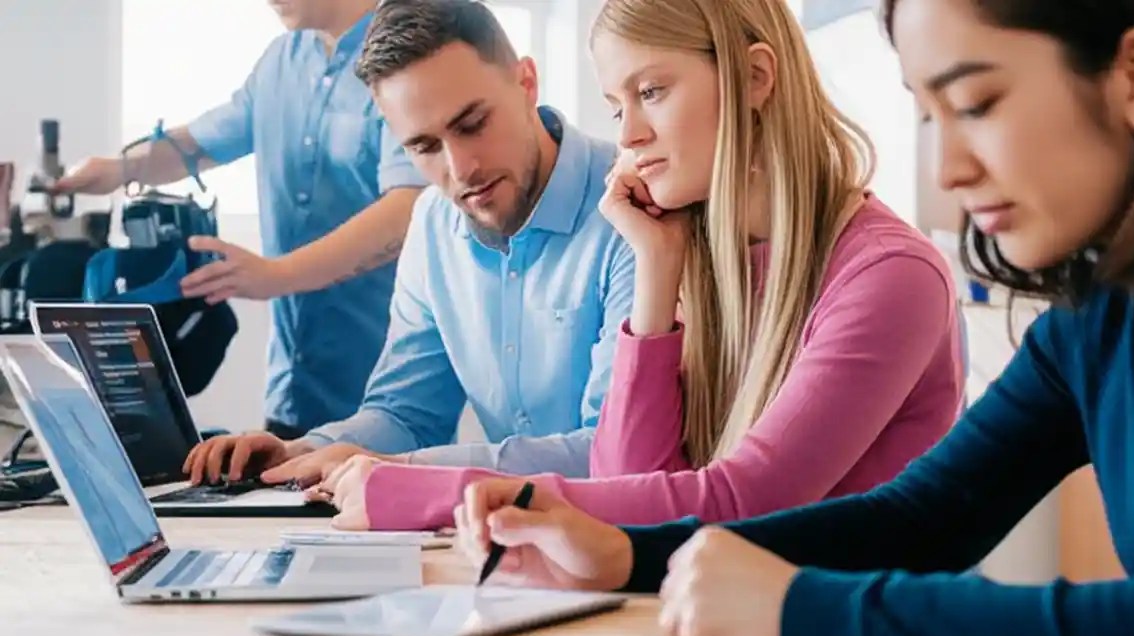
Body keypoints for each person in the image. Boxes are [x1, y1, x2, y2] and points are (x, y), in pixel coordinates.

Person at [449, 0, 1134, 636]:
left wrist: (802, 609)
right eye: (929, 117)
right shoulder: (1099, 326)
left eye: (978, 103)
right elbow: (925, 517)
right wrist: (631, 555)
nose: (947, 169)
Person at [306, 0, 964, 531]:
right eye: (619, 106)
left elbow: (743, 503)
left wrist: (428, 493)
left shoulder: (889, 276)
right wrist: (655, 269)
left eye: (652, 91)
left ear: (756, 78)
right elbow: (630, 481)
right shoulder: (694, 255)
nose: (627, 136)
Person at [183, 0, 634, 485]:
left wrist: (390, 470)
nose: (461, 170)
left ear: (526, 83)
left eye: (472, 124)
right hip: (513, 537)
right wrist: (304, 451)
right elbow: (406, 414)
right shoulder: (434, 224)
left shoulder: (631, 209)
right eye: (423, 146)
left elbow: (612, 453)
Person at [55, 0, 426, 439]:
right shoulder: (279, 62)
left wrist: (276, 275)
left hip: (386, 400)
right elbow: (197, 144)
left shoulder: (409, 55)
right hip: (292, 392)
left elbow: (409, 210)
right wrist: (119, 169)